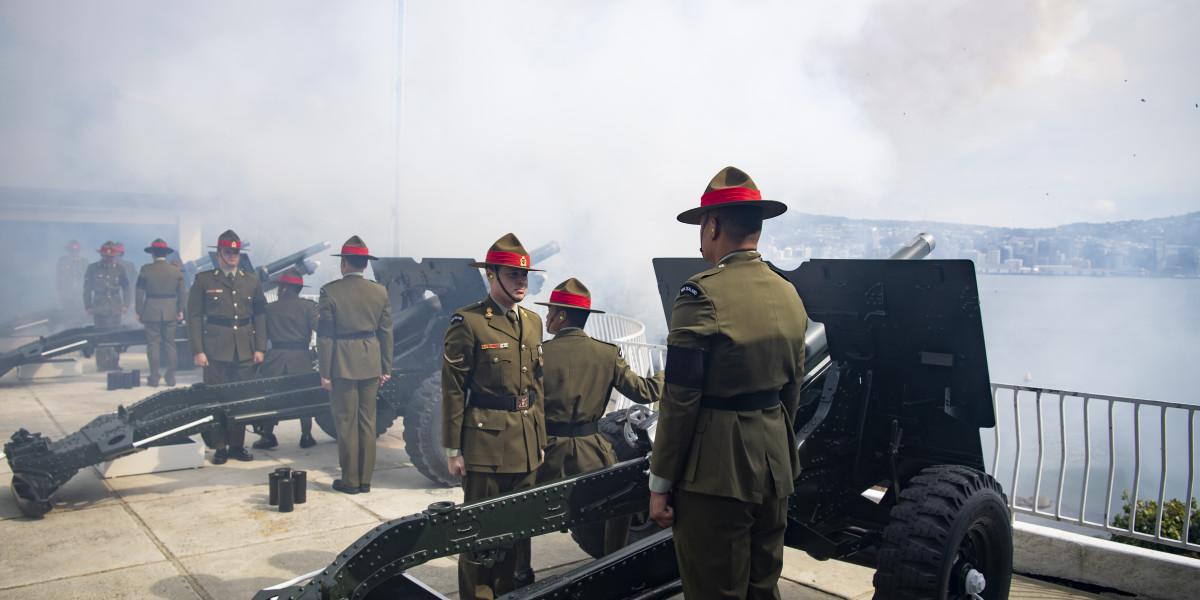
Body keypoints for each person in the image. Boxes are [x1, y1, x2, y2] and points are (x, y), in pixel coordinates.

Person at [647, 166, 809, 600]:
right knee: (762, 586)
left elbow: (679, 401)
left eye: (702, 226)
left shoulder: (700, 294)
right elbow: (792, 389)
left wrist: (660, 483)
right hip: (775, 465)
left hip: (715, 475)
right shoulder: (789, 293)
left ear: (714, 225)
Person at [512, 277, 665, 586]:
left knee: (518, 506)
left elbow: (522, 408)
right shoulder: (606, 354)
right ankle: (612, 565)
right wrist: (673, 370)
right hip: (593, 451)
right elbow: (645, 391)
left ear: (562, 316)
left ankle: (521, 574)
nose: (547, 317)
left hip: (546, 454)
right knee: (620, 498)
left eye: (551, 311)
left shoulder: (536, 354)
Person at [441, 232, 547, 600]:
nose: (522, 282)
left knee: (516, 533)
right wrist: (453, 448)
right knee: (479, 536)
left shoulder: (533, 321)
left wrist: (541, 439)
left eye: (525, 276)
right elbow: (453, 388)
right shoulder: (468, 321)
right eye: (513, 275)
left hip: (526, 443)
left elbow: (537, 386)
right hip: (485, 445)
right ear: (491, 275)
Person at [316, 236, 393, 494]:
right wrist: (385, 368)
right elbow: (386, 333)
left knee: (346, 422)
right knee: (367, 422)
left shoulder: (330, 291)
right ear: (365, 265)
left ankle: (350, 481)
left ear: (344, 264)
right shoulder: (379, 291)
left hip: (341, 365)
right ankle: (366, 480)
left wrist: (325, 372)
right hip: (371, 362)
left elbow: (325, 337)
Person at [186, 229, 267, 464]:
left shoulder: (251, 280)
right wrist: (198, 351)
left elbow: (260, 315)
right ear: (218, 254)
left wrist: (260, 347)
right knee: (217, 400)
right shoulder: (204, 280)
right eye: (227, 252)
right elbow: (193, 317)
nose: (232, 256)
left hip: (244, 348)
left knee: (240, 399)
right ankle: (220, 446)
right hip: (214, 350)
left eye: (235, 252)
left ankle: (237, 446)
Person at [253, 266, 320, 450]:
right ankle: (306, 436)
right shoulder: (308, 307)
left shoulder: (270, 308)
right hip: (301, 359)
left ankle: (267, 435)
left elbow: (261, 336)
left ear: (283, 288)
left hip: (275, 359)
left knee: (270, 398)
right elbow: (321, 330)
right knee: (304, 398)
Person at [135, 239, 185, 387]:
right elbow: (181, 294)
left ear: (152, 254)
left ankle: (154, 378)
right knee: (170, 344)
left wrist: (139, 311)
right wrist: (180, 310)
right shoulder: (175, 271)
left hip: (151, 310)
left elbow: (139, 293)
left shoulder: (146, 270)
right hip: (170, 311)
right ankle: (171, 378)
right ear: (166, 254)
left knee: (153, 345)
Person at [83, 241, 129, 370]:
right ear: (102, 255)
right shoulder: (93, 268)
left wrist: (126, 304)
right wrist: (87, 305)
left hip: (115, 304)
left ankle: (114, 362)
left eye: (111, 257)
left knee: (115, 335)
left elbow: (126, 288)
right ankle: (102, 364)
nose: (108, 259)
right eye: (106, 256)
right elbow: (87, 289)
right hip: (99, 303)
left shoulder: (120, 269)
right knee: (100, 335)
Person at [56, 239, 88, 326]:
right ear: (68, 250)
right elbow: (59, 279)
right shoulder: (62, 261)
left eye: (76, 250)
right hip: (67, 293)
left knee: (80, 314)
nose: (74, 252)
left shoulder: (84, 262)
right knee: (67, 315)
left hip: (79, 294)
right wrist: (60, 293)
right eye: (72, 250)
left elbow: (87, 279)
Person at [113, 242, 138, 324]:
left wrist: (133, 300)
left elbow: (134, 283)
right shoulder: (130, 265)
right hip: (123, 298)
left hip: (124, 298)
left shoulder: (130, 266)